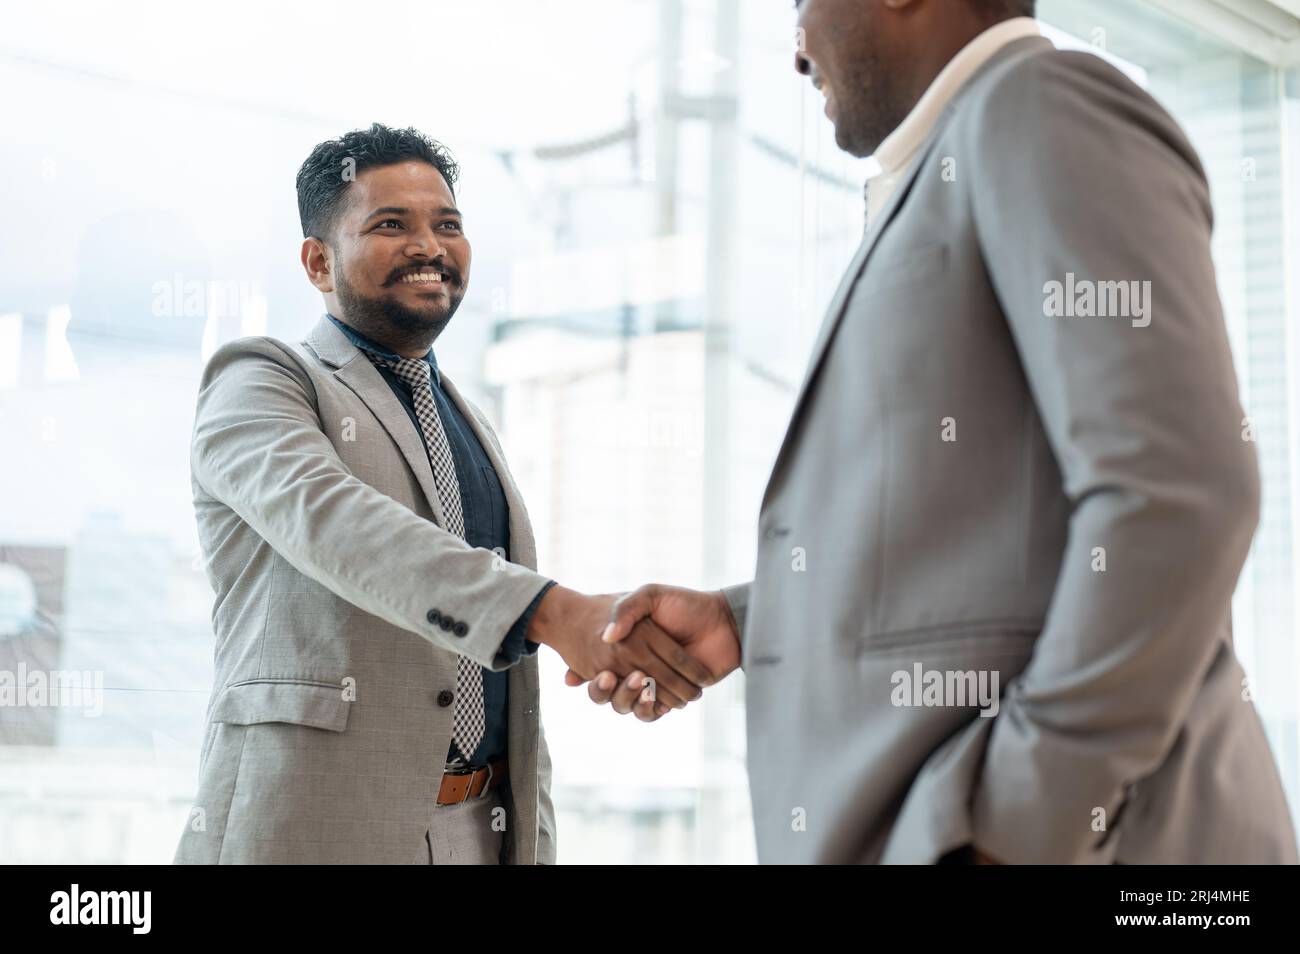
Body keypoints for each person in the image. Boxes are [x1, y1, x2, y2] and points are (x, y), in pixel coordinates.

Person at [581, 0, 1299, 864]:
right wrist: (753, 618)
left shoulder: (1041, 104)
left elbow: (1180, 495)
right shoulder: (961, 153)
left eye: (803, 2)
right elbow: (989, 533)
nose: (797, 49)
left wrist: (1010, 828)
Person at [175, 123, 711, 864]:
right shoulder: (261, 381)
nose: (429, 247)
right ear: (317, 261)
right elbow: (341, 526)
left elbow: (493, 647)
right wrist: (555, 612)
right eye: (390, 225)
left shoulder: (466, 418)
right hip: (317, 825)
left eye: (448, 225)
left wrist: (613, 645)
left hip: (483, 822)